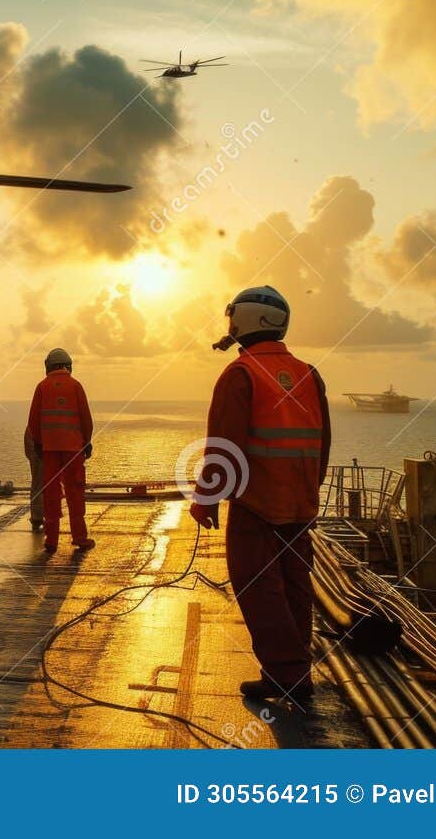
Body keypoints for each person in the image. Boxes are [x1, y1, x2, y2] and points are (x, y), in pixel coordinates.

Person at [189, 285, 331, 707]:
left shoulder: (242, 374)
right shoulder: (308, 372)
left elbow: (225, 445)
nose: (228, 326)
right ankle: (291, 669)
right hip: (299, 503)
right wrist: (311, 486)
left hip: (256, 504)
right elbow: (323, 439)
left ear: (245, 321)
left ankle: (286, 676)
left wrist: (207, 499)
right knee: (294, 586)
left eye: (232, 318)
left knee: (258, 586)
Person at [27, 348, 95, 555]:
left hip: (49, 450)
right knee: (75, 492)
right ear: (68, 366)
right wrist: (87, 442)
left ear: (48, 366)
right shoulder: (76, 386)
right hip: (73, 450)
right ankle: (80, 538)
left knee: (51, 494)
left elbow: (33, 422)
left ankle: (52, 541)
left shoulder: (42, 387)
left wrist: (40, 445)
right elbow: (86, 419)